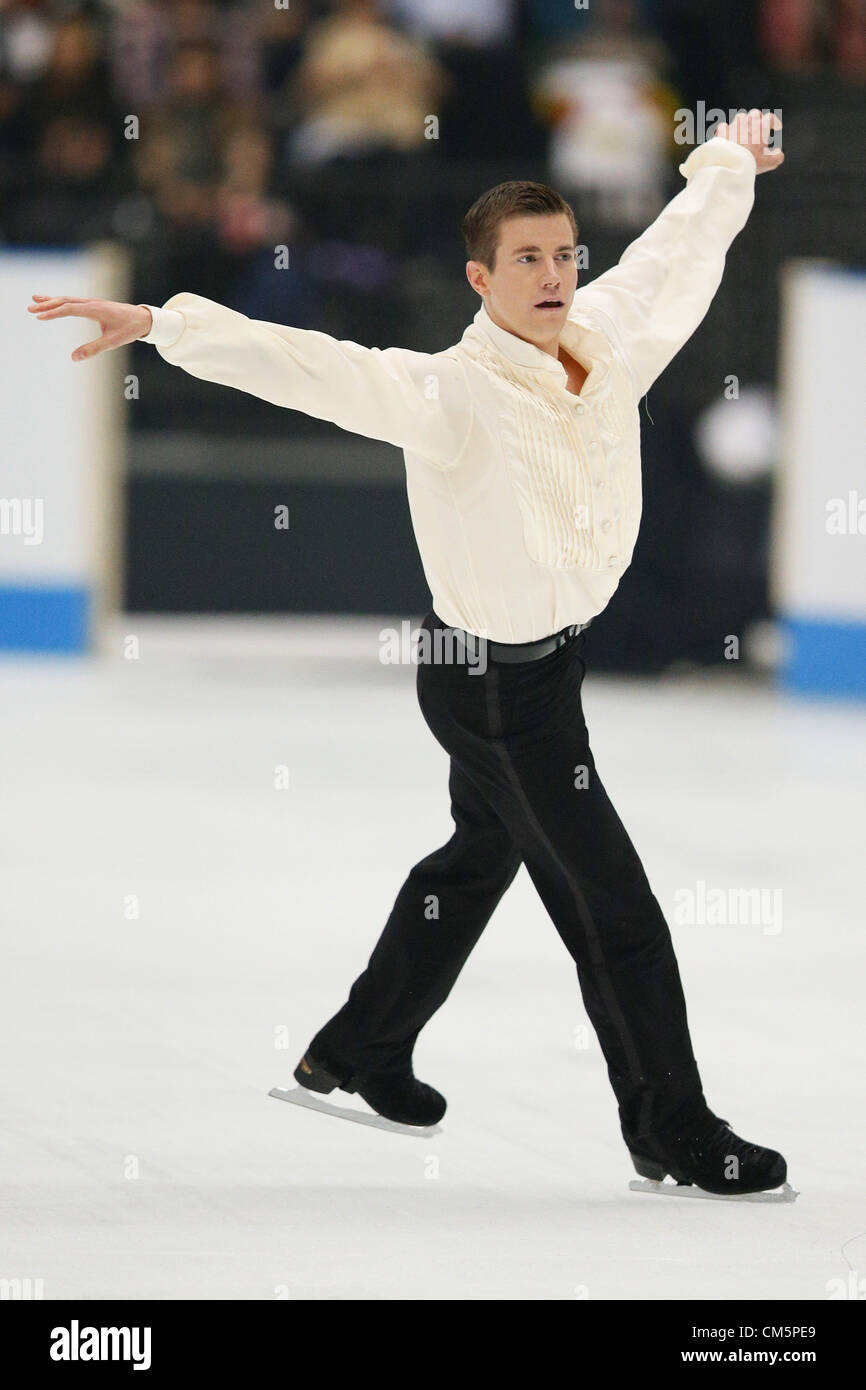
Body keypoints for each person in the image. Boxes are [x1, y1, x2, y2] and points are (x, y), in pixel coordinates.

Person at [27, 109, 789, 1198]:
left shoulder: (606, 338)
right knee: (610, 906)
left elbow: (674, 252)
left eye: (563, 255)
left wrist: (723, 160)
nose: (551, 275)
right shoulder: (449, 391)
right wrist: (160, 321)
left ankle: (360, 1046)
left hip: (540, 661)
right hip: (493, 685)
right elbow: (312, 365)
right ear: (478, 279)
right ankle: (671, 1126)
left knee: (479, 856)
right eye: (524, 259)